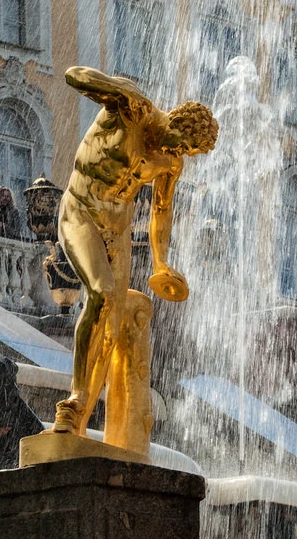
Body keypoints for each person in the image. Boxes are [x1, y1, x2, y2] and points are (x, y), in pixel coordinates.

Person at [53, 65, 218, 452]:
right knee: (103, 294)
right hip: (81, 211)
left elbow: (161, 212)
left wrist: (161, 263)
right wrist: (102, 88)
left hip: (119, 231)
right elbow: (74, 73)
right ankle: (73, 403)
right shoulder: (133, 108)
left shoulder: (170, 162)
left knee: (115, 321)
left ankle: (94, 428)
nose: (177, 154)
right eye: (179, 143)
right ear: (175, 119)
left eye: (186, 152)